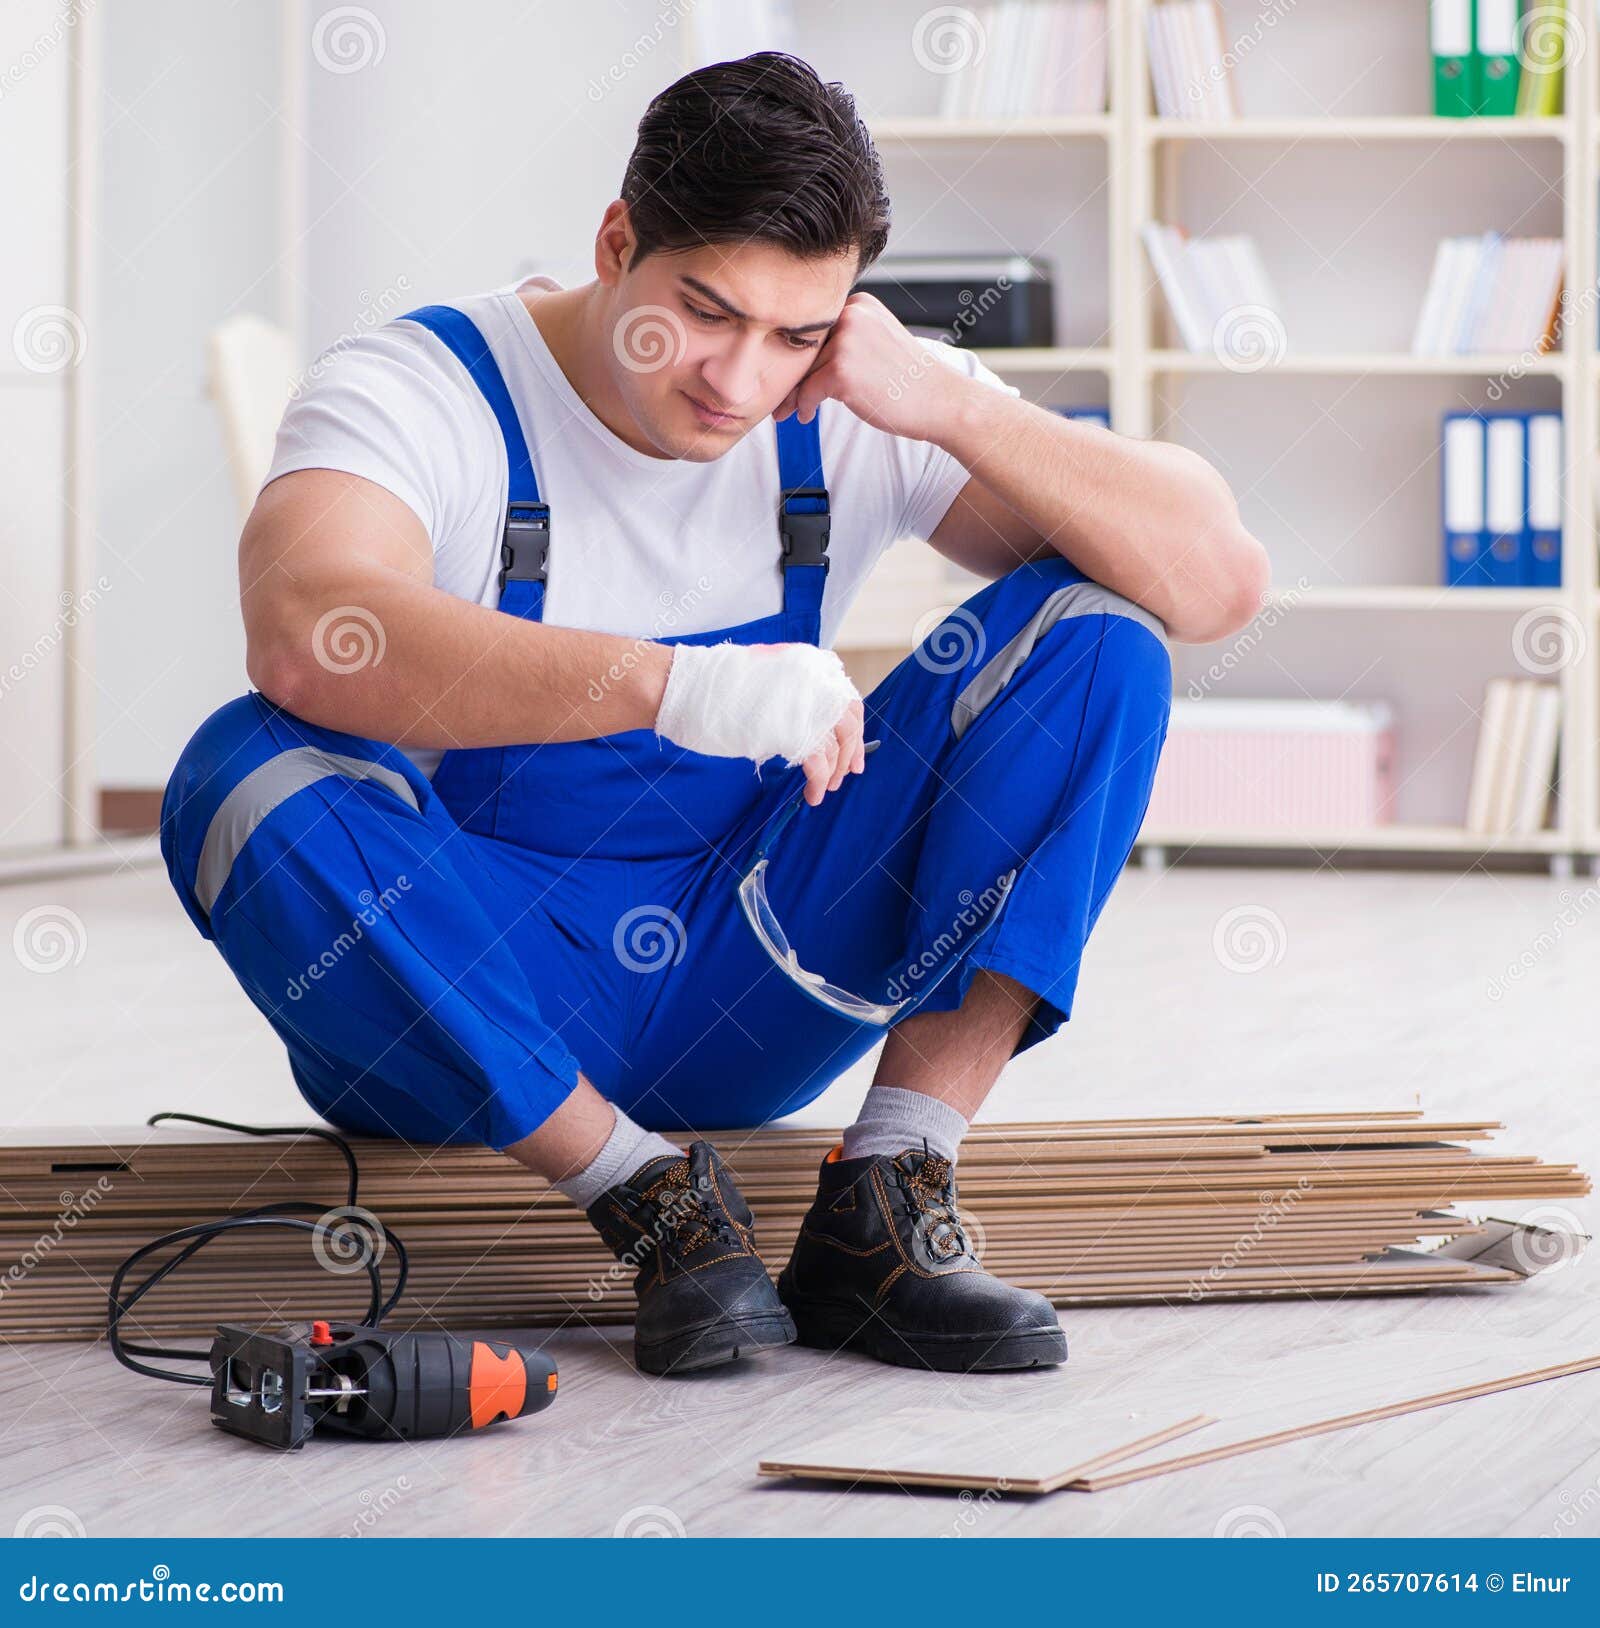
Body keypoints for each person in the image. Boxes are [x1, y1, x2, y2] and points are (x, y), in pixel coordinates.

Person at [163, 52, 1268, 1379]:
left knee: (1104, 641)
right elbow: (306, 627)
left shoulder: (846, 405)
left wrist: (952, 402)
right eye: (703, 313)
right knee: (242, 768)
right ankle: (647, 1199)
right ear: (616, 241)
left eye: (796, 335)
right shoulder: (428, 387)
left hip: (750, 975)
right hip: (464, 999)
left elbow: (1216, 583)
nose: (740, 383)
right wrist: (681, 686)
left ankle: (887, 1199)